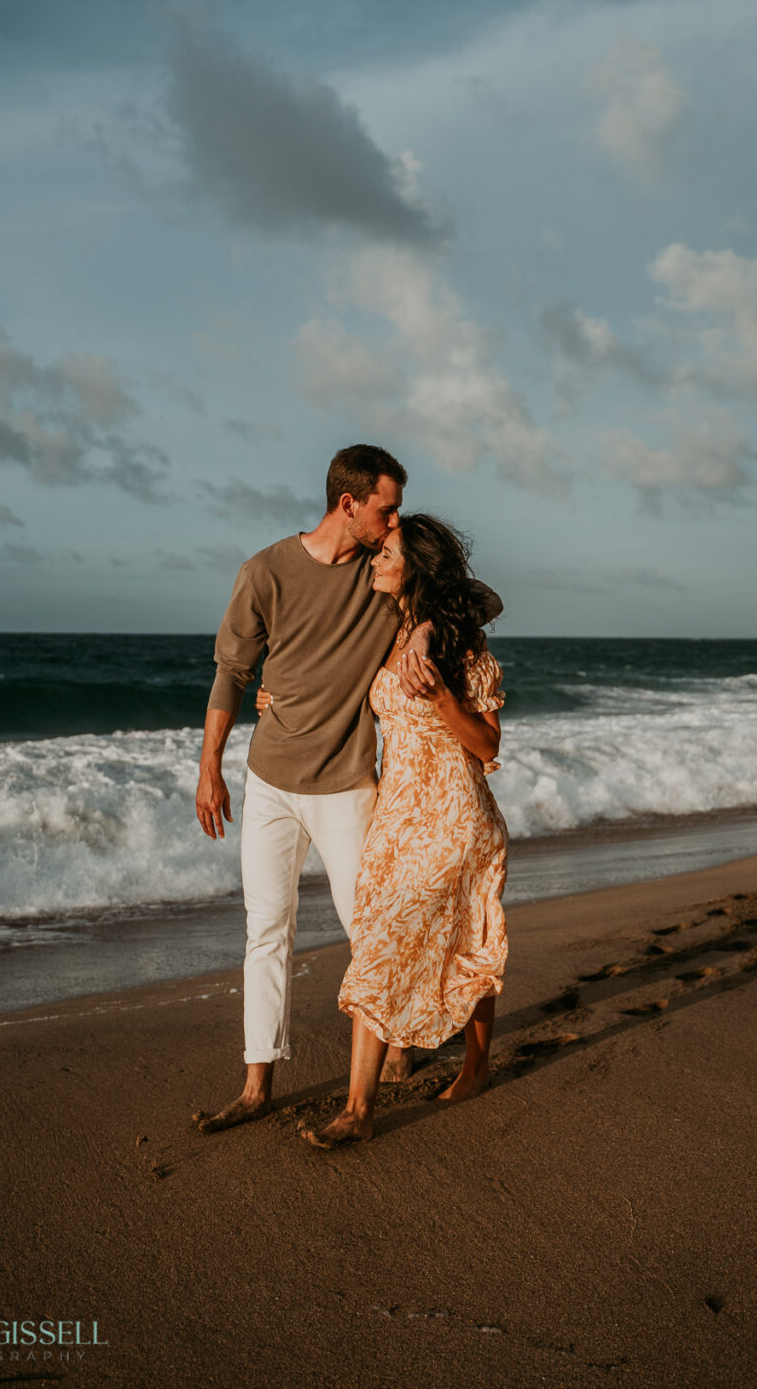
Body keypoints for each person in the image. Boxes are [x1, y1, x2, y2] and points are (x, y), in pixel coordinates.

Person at [194, 446, 501, 1134]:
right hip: (270, 779)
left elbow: (477, 598)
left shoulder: (382, 572)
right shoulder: (266, 570)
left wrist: (422, 629)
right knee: (265, 932)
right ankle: (256, 1084)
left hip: (347, 787)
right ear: (348, 504)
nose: (395, 521)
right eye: (387, 508)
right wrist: (210, 766)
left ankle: (394, 1048)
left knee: (374, 929)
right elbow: (232, 674)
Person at [301, 513, 508, 1149]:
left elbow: (487, 746)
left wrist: (445, 696)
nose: (374, 562)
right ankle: (375, 1098)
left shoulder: (462, 649)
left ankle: (387, 1099)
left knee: (433, 946)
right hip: (397, 817)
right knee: (379, 940)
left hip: (451, 817)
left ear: (413, 566)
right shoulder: (392, 632)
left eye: (386, 554)